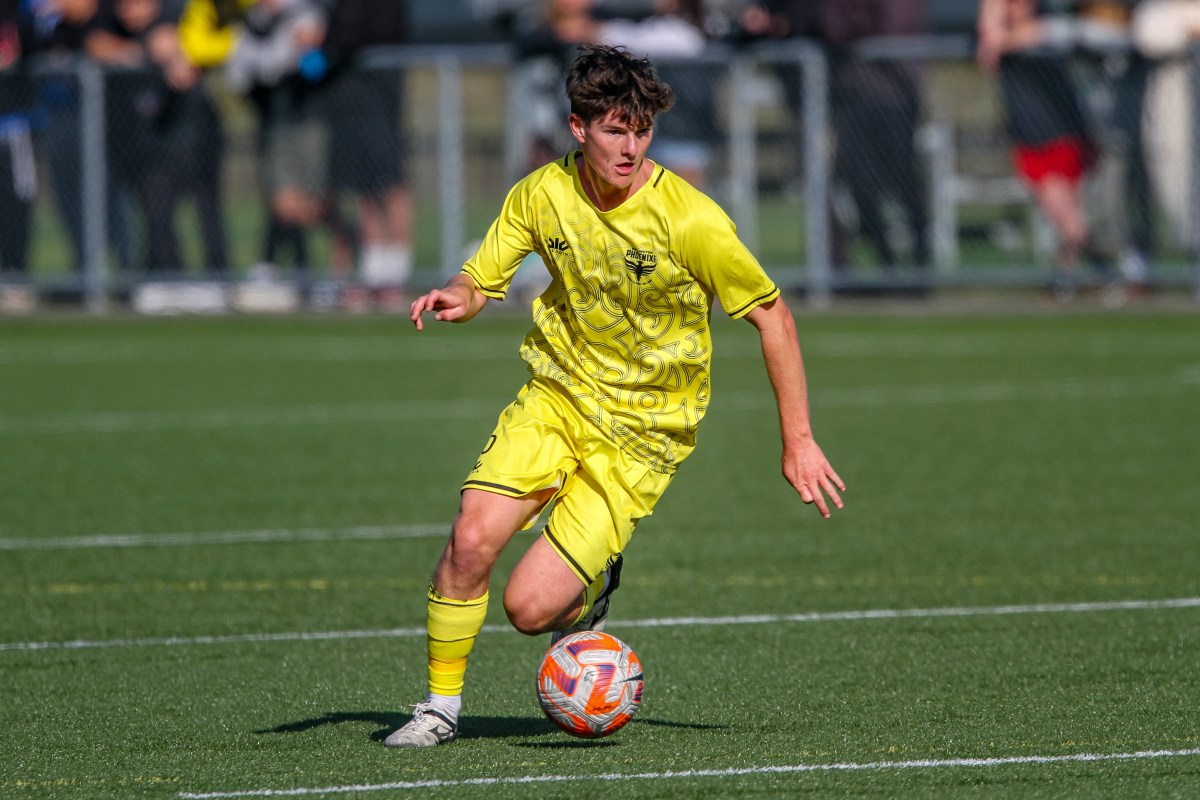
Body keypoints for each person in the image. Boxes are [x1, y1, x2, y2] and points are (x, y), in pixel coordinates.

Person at [386, 44, 845, 749]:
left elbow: (772, 316)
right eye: (614, 130)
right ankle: (438, 710)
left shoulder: (691, 219)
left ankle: (585, 592)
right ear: (578, 128)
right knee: (470, 538)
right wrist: (460, 294)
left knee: (528, 609)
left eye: (642, 131)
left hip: (644, 432)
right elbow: (483, 279)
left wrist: (799, 439)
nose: (631, 147)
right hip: (557, 398)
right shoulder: (541, 194)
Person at [976, 0, 1108, 299]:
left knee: (1066, 213)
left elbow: (1043, 33)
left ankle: (1101, 270)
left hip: (1059, 131)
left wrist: (1011, 37)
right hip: (1029, 133)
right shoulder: (1003, 26)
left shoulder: (1049, 23)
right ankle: (1067, 276)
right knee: (1064, 214)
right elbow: (989, 44)